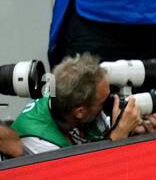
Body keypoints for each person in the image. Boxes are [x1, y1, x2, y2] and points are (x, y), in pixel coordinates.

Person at [13, 53, 141, 155]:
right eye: (103, 101)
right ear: (80, 112)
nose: (112, 101)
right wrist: (117, 137)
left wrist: (133, 130)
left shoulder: (64, 95)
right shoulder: (40, 142)